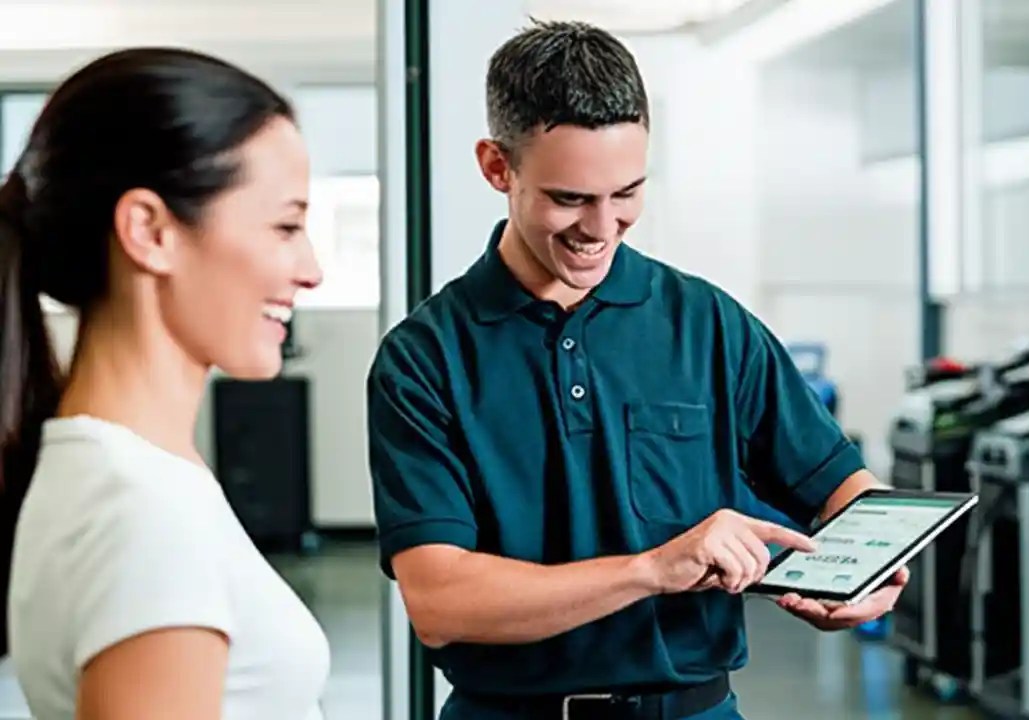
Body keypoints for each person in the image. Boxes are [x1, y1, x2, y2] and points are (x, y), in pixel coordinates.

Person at [366, 20, 907, 720]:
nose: (601, 228)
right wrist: (653, 571)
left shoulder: (708, 325)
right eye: (569, 199)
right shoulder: (424, 360)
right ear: (498, 167)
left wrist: (866, 573)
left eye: (626, 192)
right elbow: (441, 601)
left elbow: (843, 487)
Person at [0, 48, 329, 719]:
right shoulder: (142, 512)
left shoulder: (127, 477)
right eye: (286, 226)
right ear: (149, 231)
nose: (312, 268)